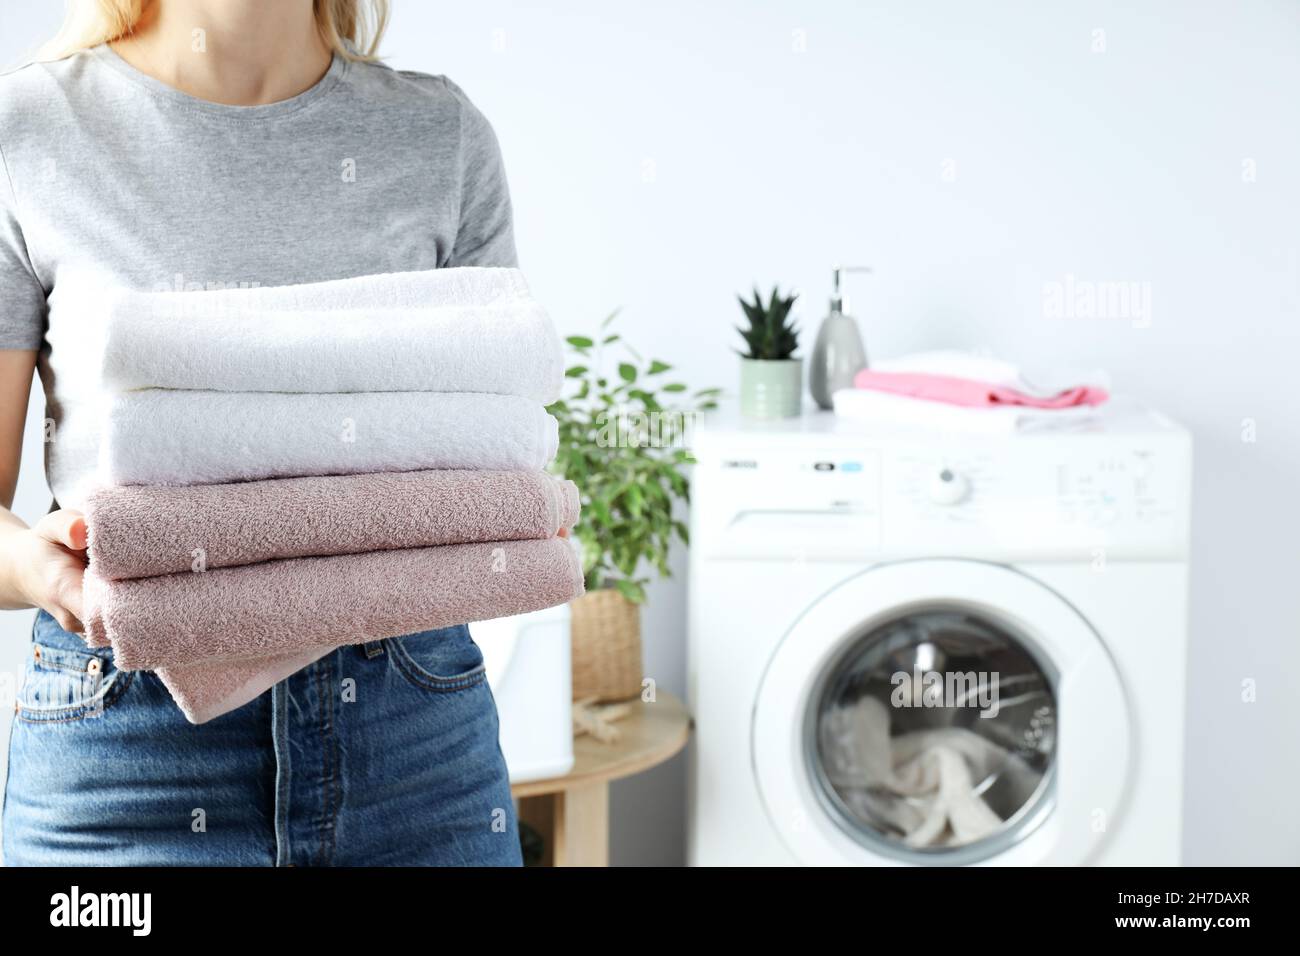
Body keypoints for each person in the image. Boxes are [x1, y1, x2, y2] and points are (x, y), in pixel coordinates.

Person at [0, 0, 524, 866]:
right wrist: (35, 566)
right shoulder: (29, 132)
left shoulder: (442, 138)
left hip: (416, 738)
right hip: (130, 746)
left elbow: (486, 453)